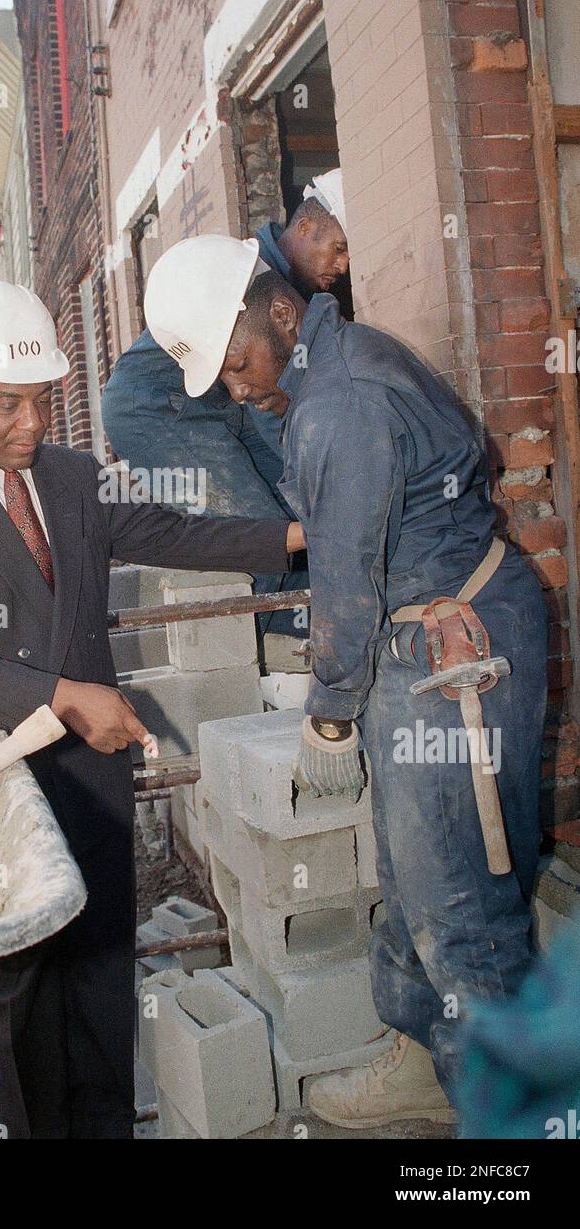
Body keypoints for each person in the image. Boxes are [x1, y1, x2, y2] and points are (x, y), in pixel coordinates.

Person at [0, 278, 305, 1139]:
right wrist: (65, 698)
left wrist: (296, 535)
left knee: (102, 964)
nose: (29, 424)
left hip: (90, 774)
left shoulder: (71, 477)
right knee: (18, 986)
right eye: (4, 406)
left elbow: (173, 534)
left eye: (40, 403)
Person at [145, 236, 548, 1127]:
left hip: (451, 657)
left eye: (239, 360)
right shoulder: (336, 369)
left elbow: (344, 577)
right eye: (221, 375)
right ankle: (420, 1063)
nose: (241, 386)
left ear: (279, 313)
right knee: (417, 879)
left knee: (461, 911)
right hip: (435, 638)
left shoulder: (341, 402)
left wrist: (328, 714)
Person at [100, 170, 348, 641]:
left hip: (214, 404)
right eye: (338, 246)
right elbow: (270, 405)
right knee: (259, 532)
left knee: (295, 500)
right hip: (155, 412)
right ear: (306, 228)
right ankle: (279, 653)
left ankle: (308, 626)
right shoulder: (243, 278)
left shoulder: (274, 281)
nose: (344, 263)